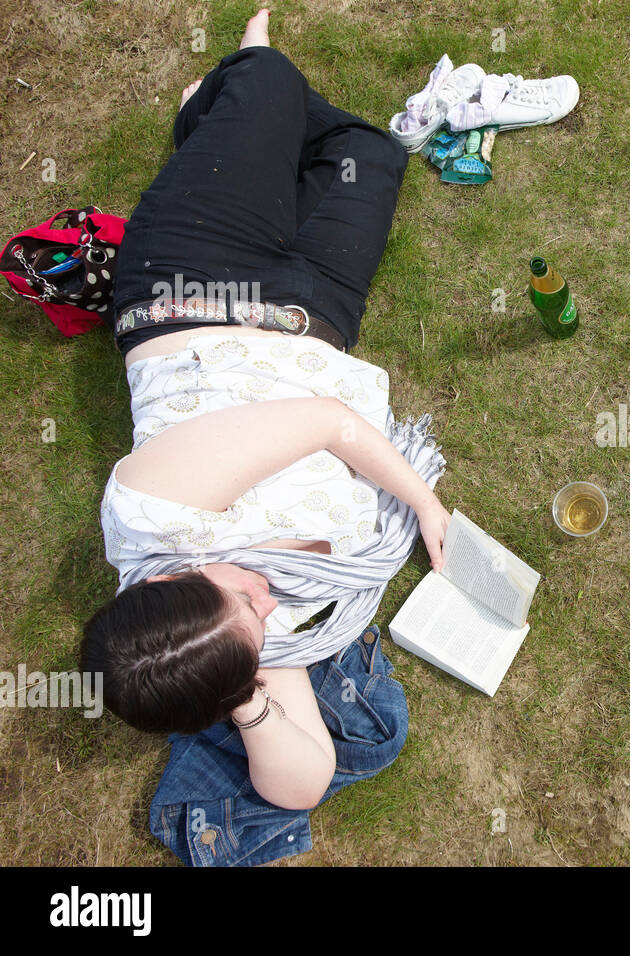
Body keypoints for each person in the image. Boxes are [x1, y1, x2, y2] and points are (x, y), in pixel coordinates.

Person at [82, 9, 450, 812]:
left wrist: (423, 501)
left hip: (195, 284)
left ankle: (215, 110)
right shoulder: (231, 639)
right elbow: (300, 784)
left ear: (176, 571)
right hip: (310, 315)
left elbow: (327, 422)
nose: (270, 601)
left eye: (243, 598)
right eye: (258, 629)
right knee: (368, 153)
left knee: (268, 74)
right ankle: (248, 140)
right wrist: (242, 695)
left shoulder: (154, 506)